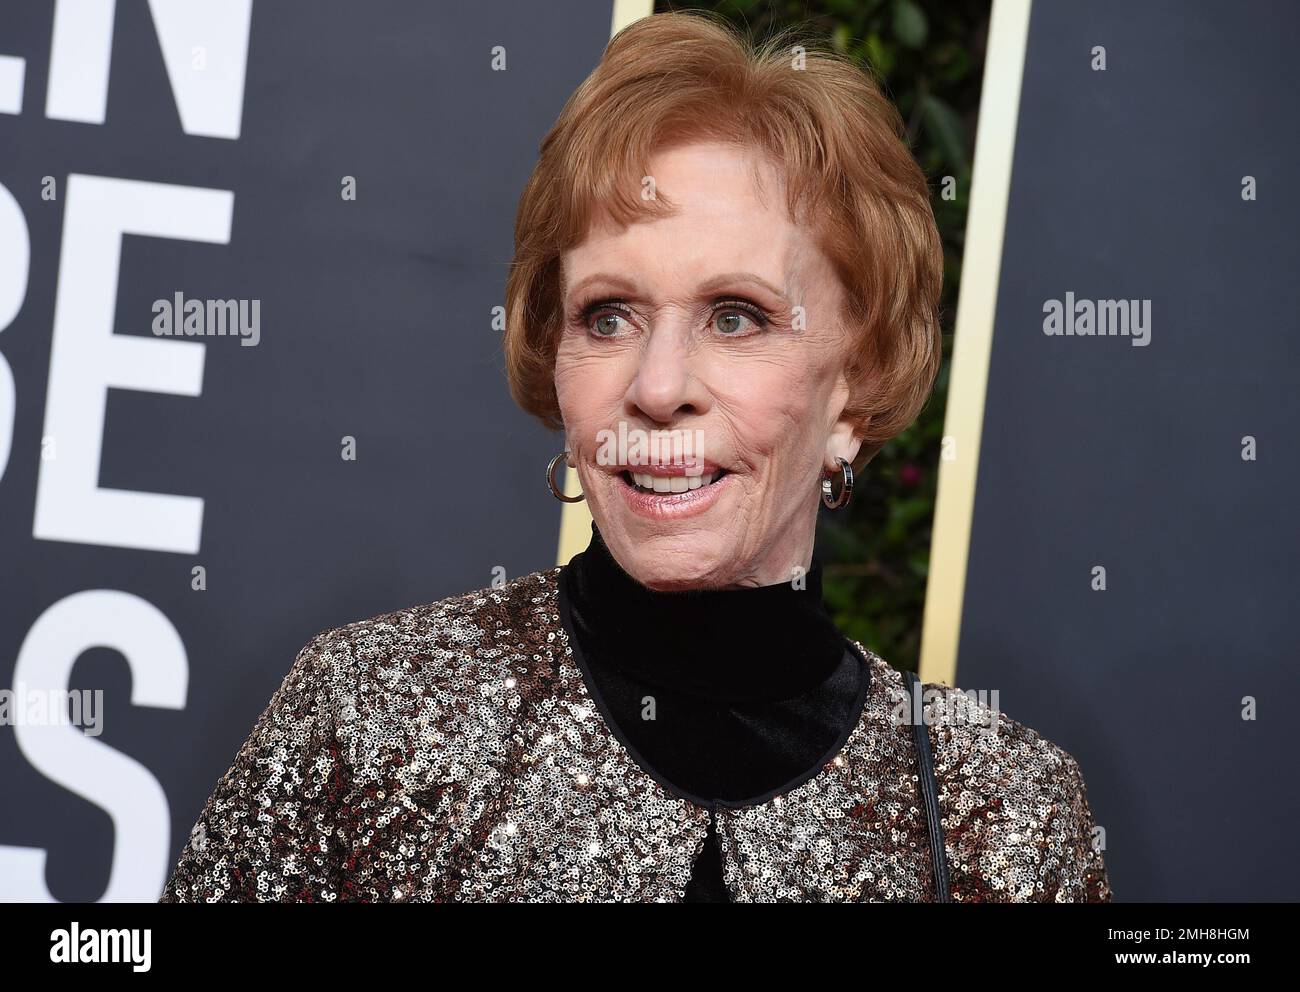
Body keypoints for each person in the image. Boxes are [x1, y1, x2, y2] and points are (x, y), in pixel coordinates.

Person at [161, 11, 1110, 903]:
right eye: (608, 316)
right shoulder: (370, 721)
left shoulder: (1003, 818)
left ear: (854, 386)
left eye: (737, 317)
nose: (657, 388)